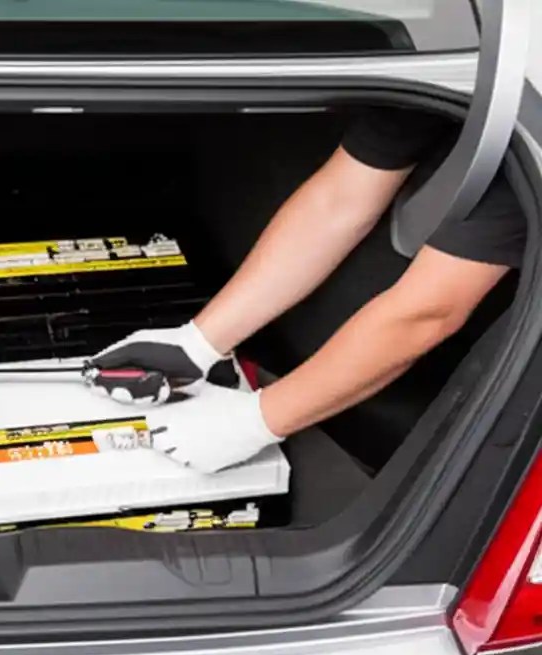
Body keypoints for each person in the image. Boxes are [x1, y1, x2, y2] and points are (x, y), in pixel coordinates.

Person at [90, 108, 526, 473]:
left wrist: (258, 421)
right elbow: (339, 200)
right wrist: (199, 341)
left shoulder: (528, 112)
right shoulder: (463, 58)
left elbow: (429, 311)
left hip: (455, 391)